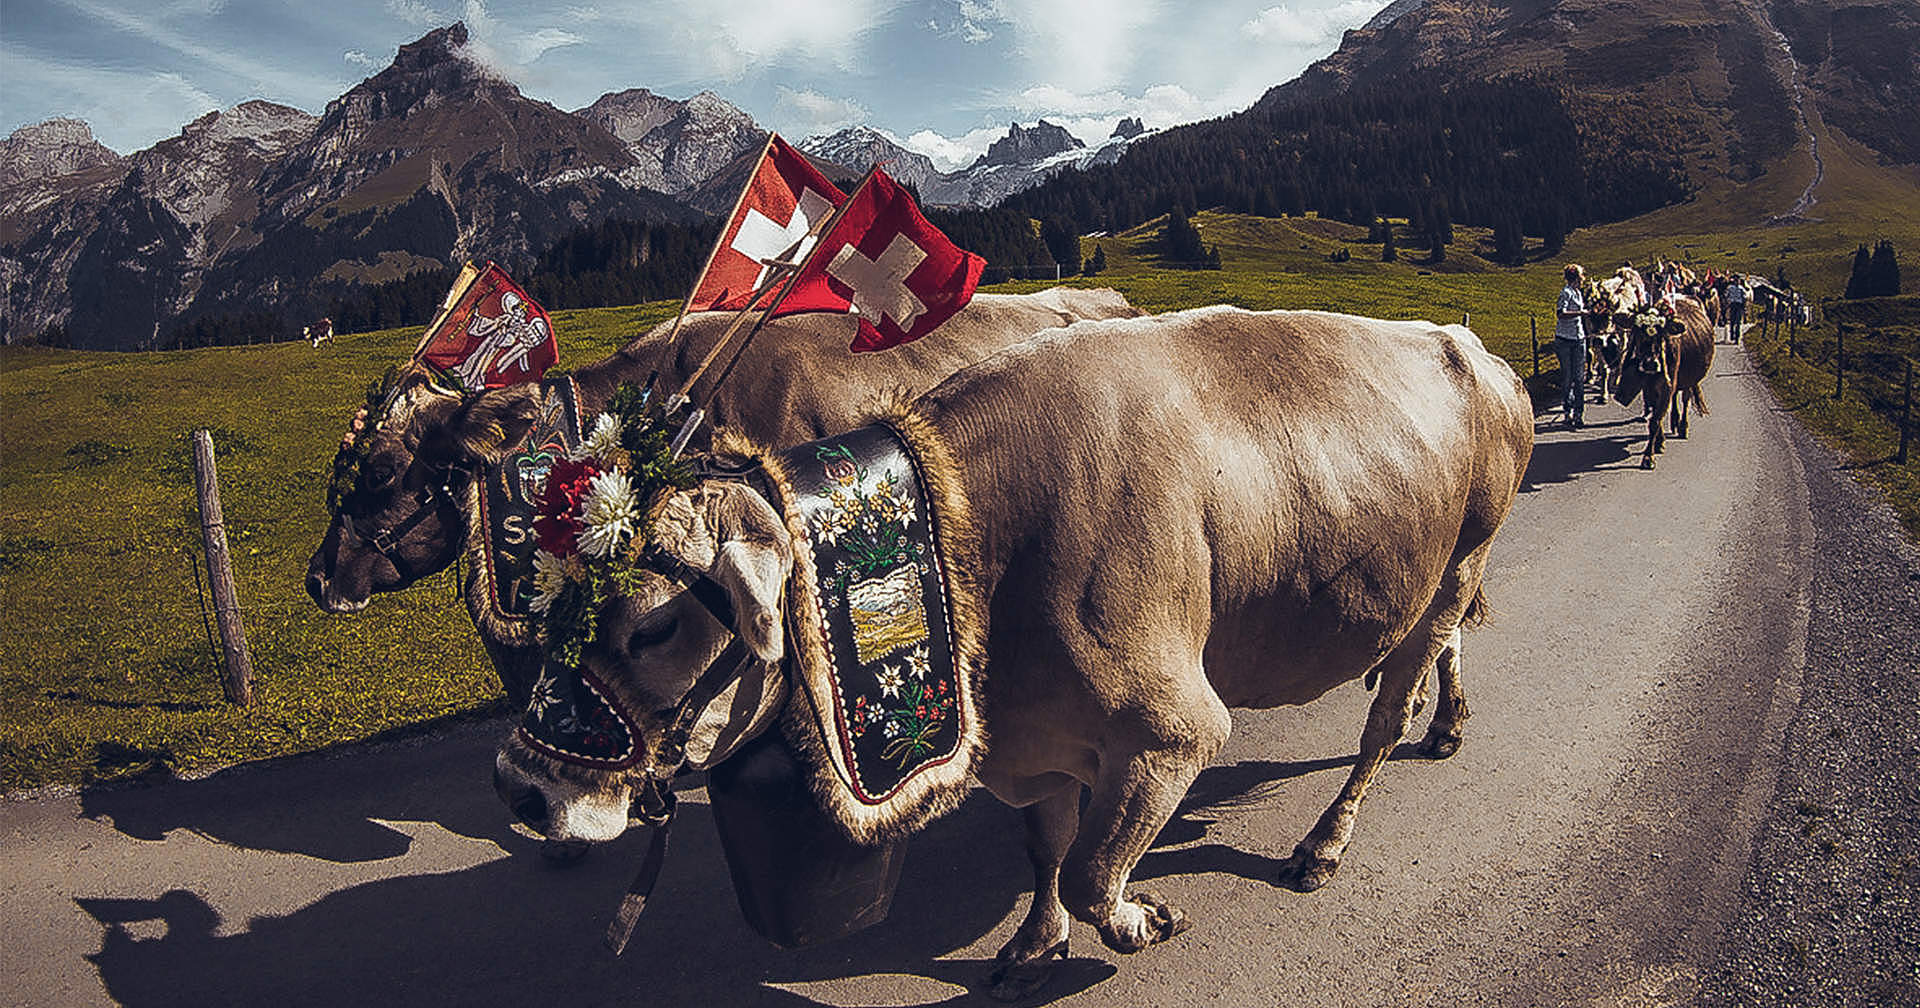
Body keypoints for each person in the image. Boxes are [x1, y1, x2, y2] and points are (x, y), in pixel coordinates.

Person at [1554, 263, 1588, 429]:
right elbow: (1560, 313)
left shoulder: (1578, 293)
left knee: (1579, 377)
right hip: (1565, 339)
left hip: (1578, 338)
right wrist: (1581, 313)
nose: (1583, 279)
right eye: (1582, 276)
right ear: (1576, 277)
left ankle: (1578, 412)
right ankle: (1568, 410)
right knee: (1568, 377)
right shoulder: (1566, 293)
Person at [1724, 275, 1748, 344]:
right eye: (1736, 280)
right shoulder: (1732, 288)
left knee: (1737, 322)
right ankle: (1733, 334)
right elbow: (1726, 295)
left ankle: (1736, 337)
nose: (1737, 282)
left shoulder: (1741, 288)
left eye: (1738, 280)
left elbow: (1745, 297)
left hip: (1738, 306)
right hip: (1733, 305)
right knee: (1733, 321)